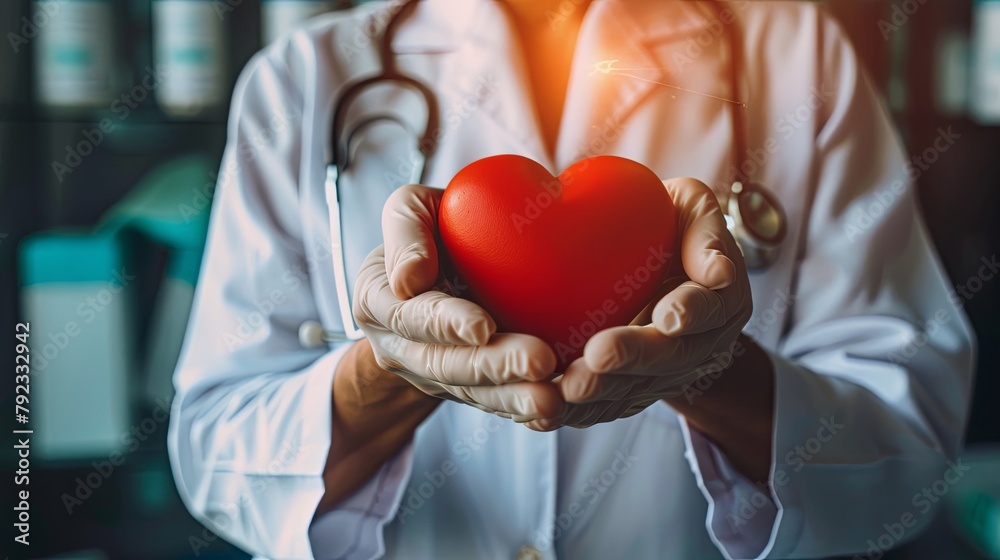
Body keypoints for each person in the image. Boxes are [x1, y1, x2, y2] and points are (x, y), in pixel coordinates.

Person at [167, 1, 976, 559]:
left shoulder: (803, 65)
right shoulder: (304, 80)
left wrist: (709, 365)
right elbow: (214, 449)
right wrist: (392, 366)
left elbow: (906, 456)